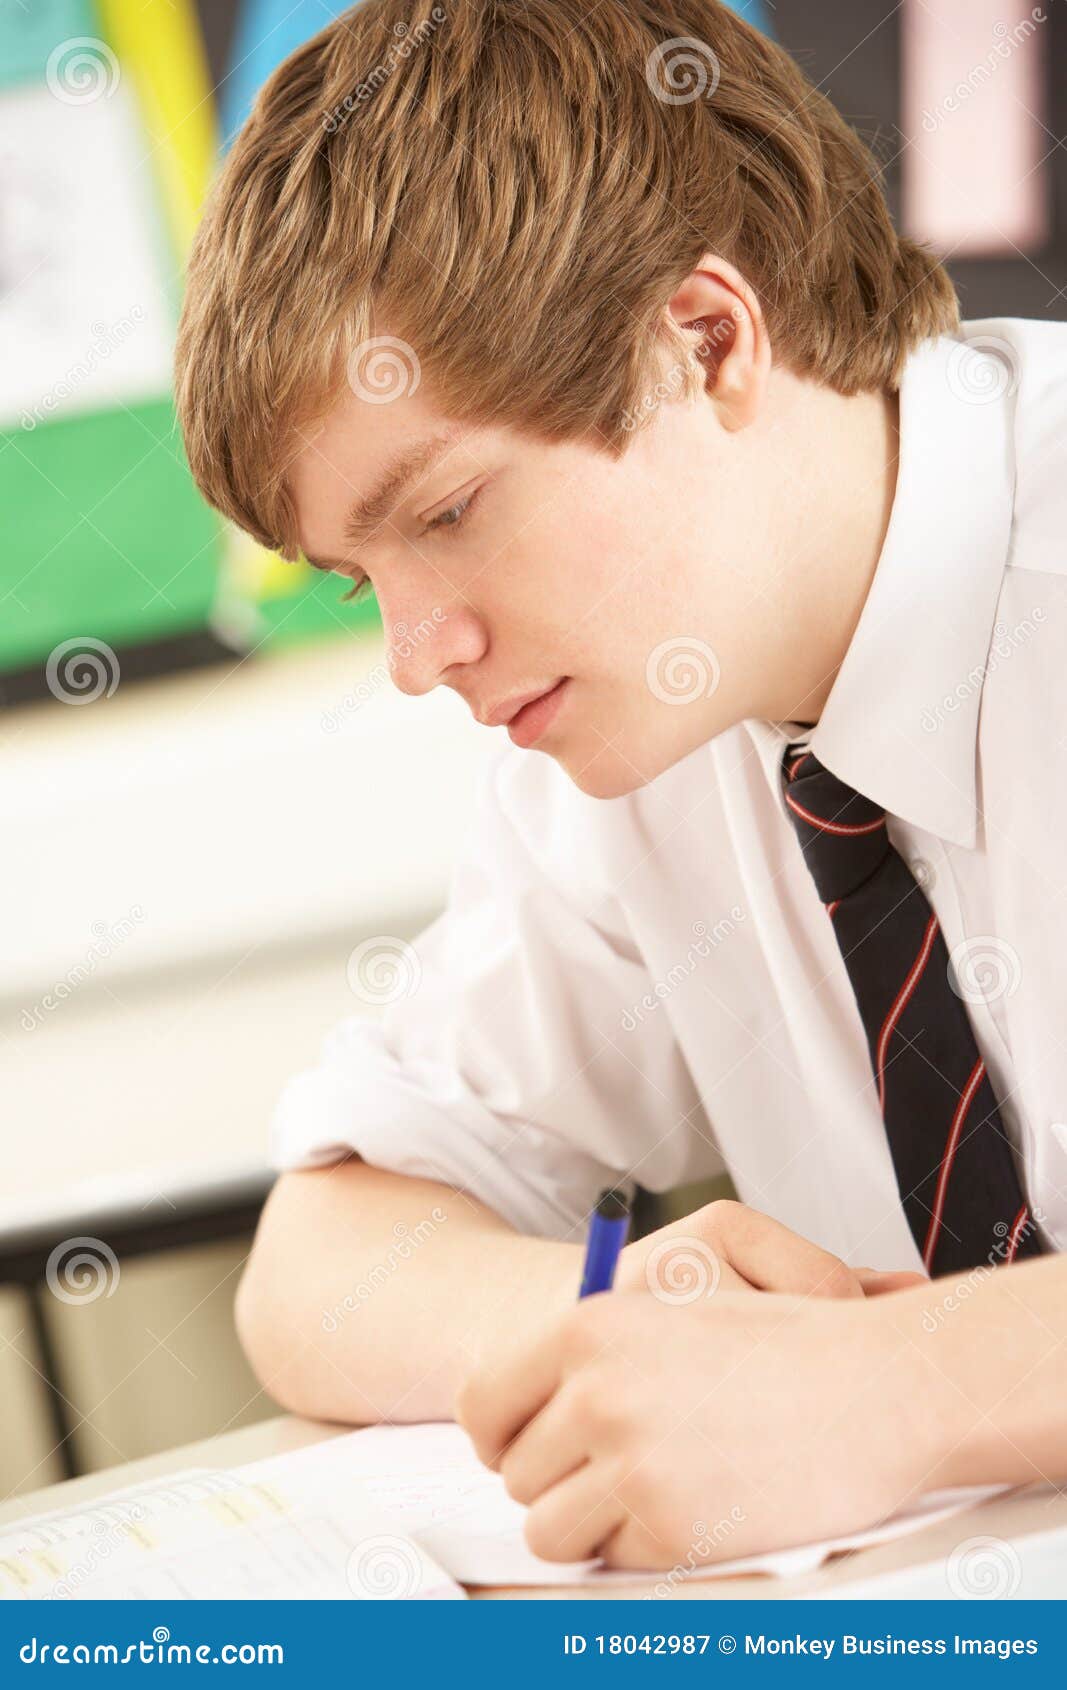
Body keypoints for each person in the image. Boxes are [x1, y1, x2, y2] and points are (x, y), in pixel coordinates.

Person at [175, 0, 1067, 1569]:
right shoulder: (643, 723)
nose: (413, 655)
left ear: (707, 340)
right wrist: (639, 1317)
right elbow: (315, 1262)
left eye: (447, 509)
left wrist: (894, 1389)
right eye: (351, 579)